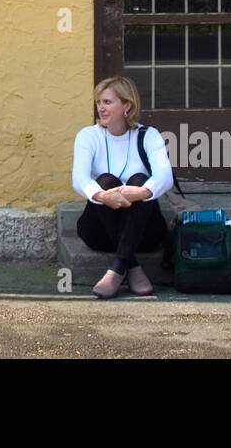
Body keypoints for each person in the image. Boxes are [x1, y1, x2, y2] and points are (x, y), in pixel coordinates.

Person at [72, 76, 173, 298]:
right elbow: (79, 177)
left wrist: (142, 192)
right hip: (99, 233)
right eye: (99, 102)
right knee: (106, 181)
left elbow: (165, 175)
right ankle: (132, 266)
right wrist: (102, 196)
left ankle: (118, 268)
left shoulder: (148, 135)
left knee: (139, 179)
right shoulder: (88, 136)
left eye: (107, 102)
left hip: (146, 235)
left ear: (126, 106)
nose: (101, 108)